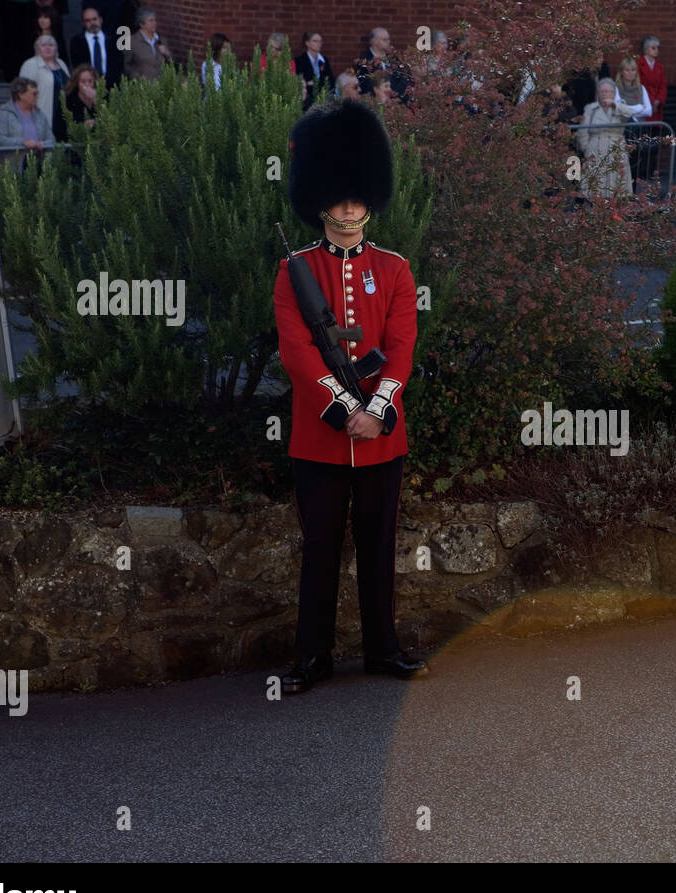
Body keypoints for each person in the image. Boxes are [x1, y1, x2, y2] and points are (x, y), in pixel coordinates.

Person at [276, 99, 425, 693]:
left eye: (357, 195)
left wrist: (378, 409)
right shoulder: (296, 272)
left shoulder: (394, 270)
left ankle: (382, 650)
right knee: (320, 552)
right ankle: (311, 658)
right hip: (320, 439)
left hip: (382, 439)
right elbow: (297, 354)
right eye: (339, 196)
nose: (349, 206)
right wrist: (343, 410)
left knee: (379, 548)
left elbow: (402, 345)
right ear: (321, 200)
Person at [577, 78, 634, 199]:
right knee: (595, 186)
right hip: (595, 149)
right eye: (601, 91)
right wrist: (586, 149)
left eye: (607, 91)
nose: (604, 94)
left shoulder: (620, 106)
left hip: (616, 148)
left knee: (617, 186)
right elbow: (583, 131)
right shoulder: (590, 108)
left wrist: (614, 105)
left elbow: (629, 113)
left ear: (613, 93)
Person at [0, 76, 54, 170]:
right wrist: (23, 142)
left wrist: (43, 144)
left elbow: (51, 138)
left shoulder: (40, 114)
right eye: (34, 94)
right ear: (21, 94)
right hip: (13, 167)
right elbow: (0, 139)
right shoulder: (4, 113)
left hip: (38, 166)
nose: (37, 97)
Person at [613, 56, 656, 183]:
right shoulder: (616, 88)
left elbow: (648, 110)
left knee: (636, 166)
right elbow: (617, 108)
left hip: (639, 132)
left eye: (633, 70)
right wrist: (638, 107)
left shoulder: (641, 88)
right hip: (622, 133)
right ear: (621, 72)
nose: (630, 73)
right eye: (627, 70)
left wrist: (628, 109)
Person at [19, 36, 70, 132]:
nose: (48, 48)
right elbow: (24, 94)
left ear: (56, 48)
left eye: (51, 45)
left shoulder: (61, 64)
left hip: (63, 113)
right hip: (41, 114)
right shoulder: (30, 65)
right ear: (37, 48)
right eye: (44, 45)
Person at [70, 7, 121, 89]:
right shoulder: (77, 42)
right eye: (88, 20)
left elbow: (118, 65)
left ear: (100, 19)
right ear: (83, 23)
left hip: (111, 86)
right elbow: (77, 65)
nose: (92, 23)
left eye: (94, 19)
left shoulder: (113, 40)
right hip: (87, 86)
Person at [123, 8, 173, 82]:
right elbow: (126, 65)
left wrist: (167, 53)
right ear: (141, 24)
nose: (154, 23)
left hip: (161, 85)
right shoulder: (132, 42)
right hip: (143, 86)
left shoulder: (161, 40)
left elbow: (172, 64)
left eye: (155, 20)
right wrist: (136, 78)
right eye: (151, 21)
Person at [294, 31, 333, 109]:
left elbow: (330, 79)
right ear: (307, 43)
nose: (319, 44)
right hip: (308, 99)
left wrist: (313, 82)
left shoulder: (324, 60)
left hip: (323, 96)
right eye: (315, 41)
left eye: (320, 41)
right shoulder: (300, 60)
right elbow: (301, 80)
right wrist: (309, 83)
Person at [637, 36, 667, 125]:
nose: (656, 50)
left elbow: (663, 85)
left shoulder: (659, 66)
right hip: (644, 101)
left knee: (655, 129)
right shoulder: (638, 64)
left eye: (657, 48)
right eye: (653, 48)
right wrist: (651, 101)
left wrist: (658, 100)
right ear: (646, 50)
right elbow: (639, 84)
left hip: (657, 104)